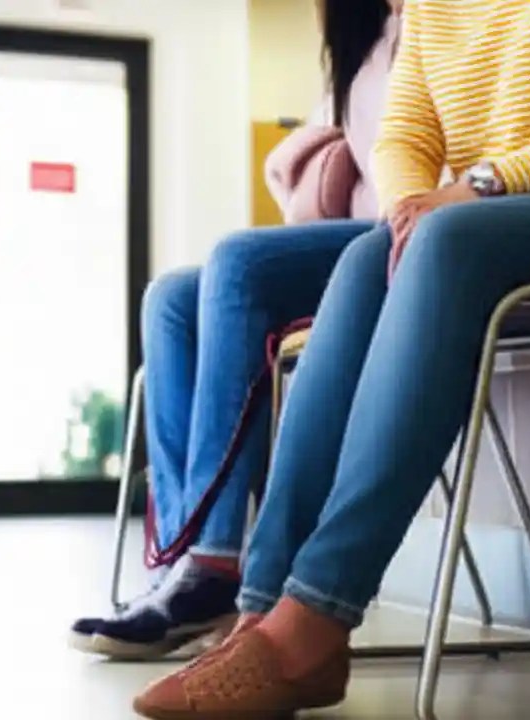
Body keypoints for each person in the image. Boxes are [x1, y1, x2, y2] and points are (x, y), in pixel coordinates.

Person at [133, 0, 530, 716]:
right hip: (490, 218)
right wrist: (407, 209)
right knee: (373, 253)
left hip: (526, 205)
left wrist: (476, 187)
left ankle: (318, 612)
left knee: (446, 238)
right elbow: (406, 129)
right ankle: (265, 606)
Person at [69, 0, 401, 661]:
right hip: (351, 234)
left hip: (409, 231)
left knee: (238, 261)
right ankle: (183, 559)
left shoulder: (446, 20)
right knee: (169, 297)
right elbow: (297, 171)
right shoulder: (359, 38)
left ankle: (215, 561)